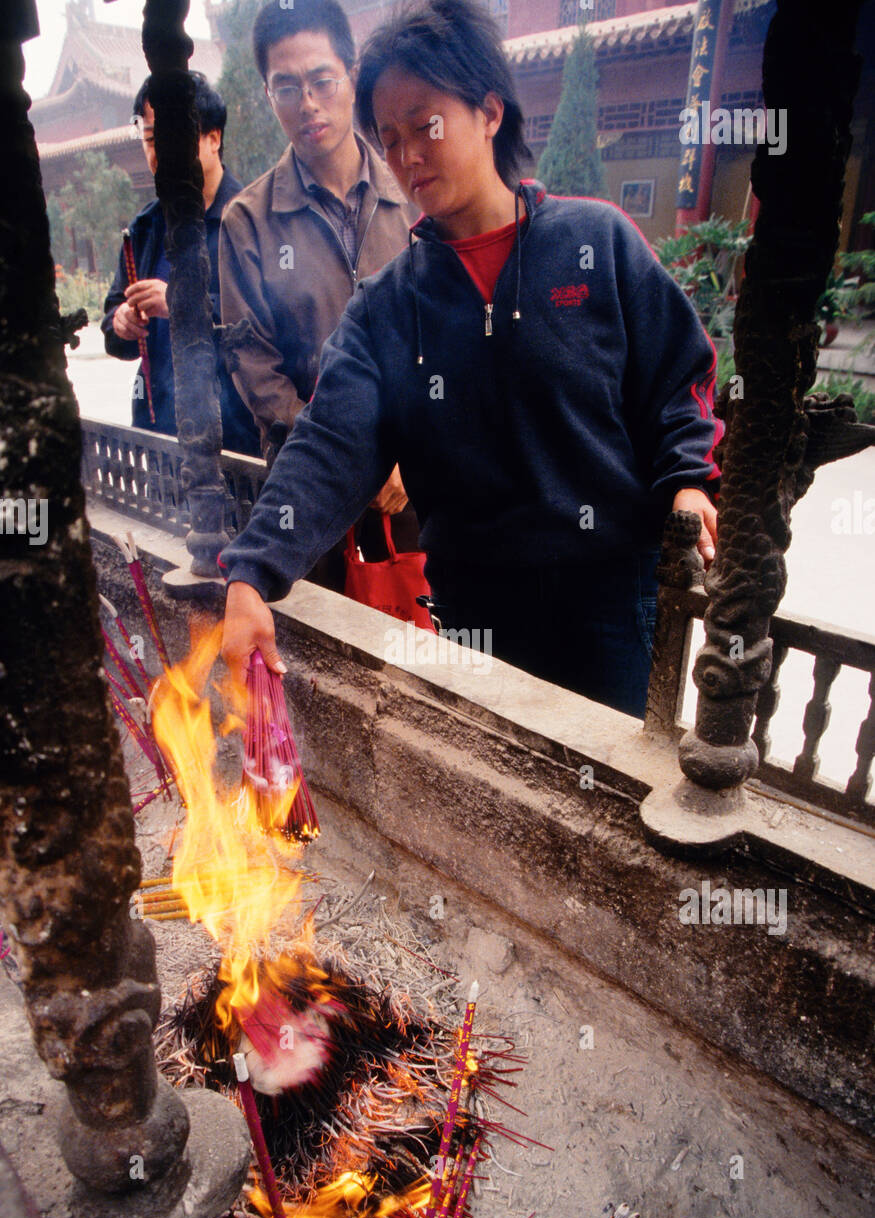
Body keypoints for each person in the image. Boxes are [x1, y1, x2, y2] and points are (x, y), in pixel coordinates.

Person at [220, 0, 720, 718]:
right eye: (387, 137)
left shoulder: (596, 243)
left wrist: (687, 484)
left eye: (424, 124)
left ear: (488, 112)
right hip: (475, 616)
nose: (405, 156)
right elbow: (328, 445)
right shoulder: (388, 307)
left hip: (612, 601)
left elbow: (678, 379)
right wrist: (250, 572)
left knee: (609, 808)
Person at [219, 0, 418, 587]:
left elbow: (446, 337)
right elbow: (253, 364)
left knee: (420, 653)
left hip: (415, 485)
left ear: (352, 74)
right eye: (285, 88)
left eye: (321, 80)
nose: (306, 103)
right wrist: (348, 457)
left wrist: (405, 454)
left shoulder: (410, 197)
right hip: (307, 497)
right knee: (322, 663)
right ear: (267, 95)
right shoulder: (248, 221)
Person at [102, 73, 260, 457]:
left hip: (240, 442)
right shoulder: (145, 227)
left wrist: (182, 303)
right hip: (160, 441)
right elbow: (111, 321)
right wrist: (121, 323)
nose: (162, 151)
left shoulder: (256, 221)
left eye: (177, 134)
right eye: (152, 139)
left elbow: (271, 327)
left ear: (213, 137)